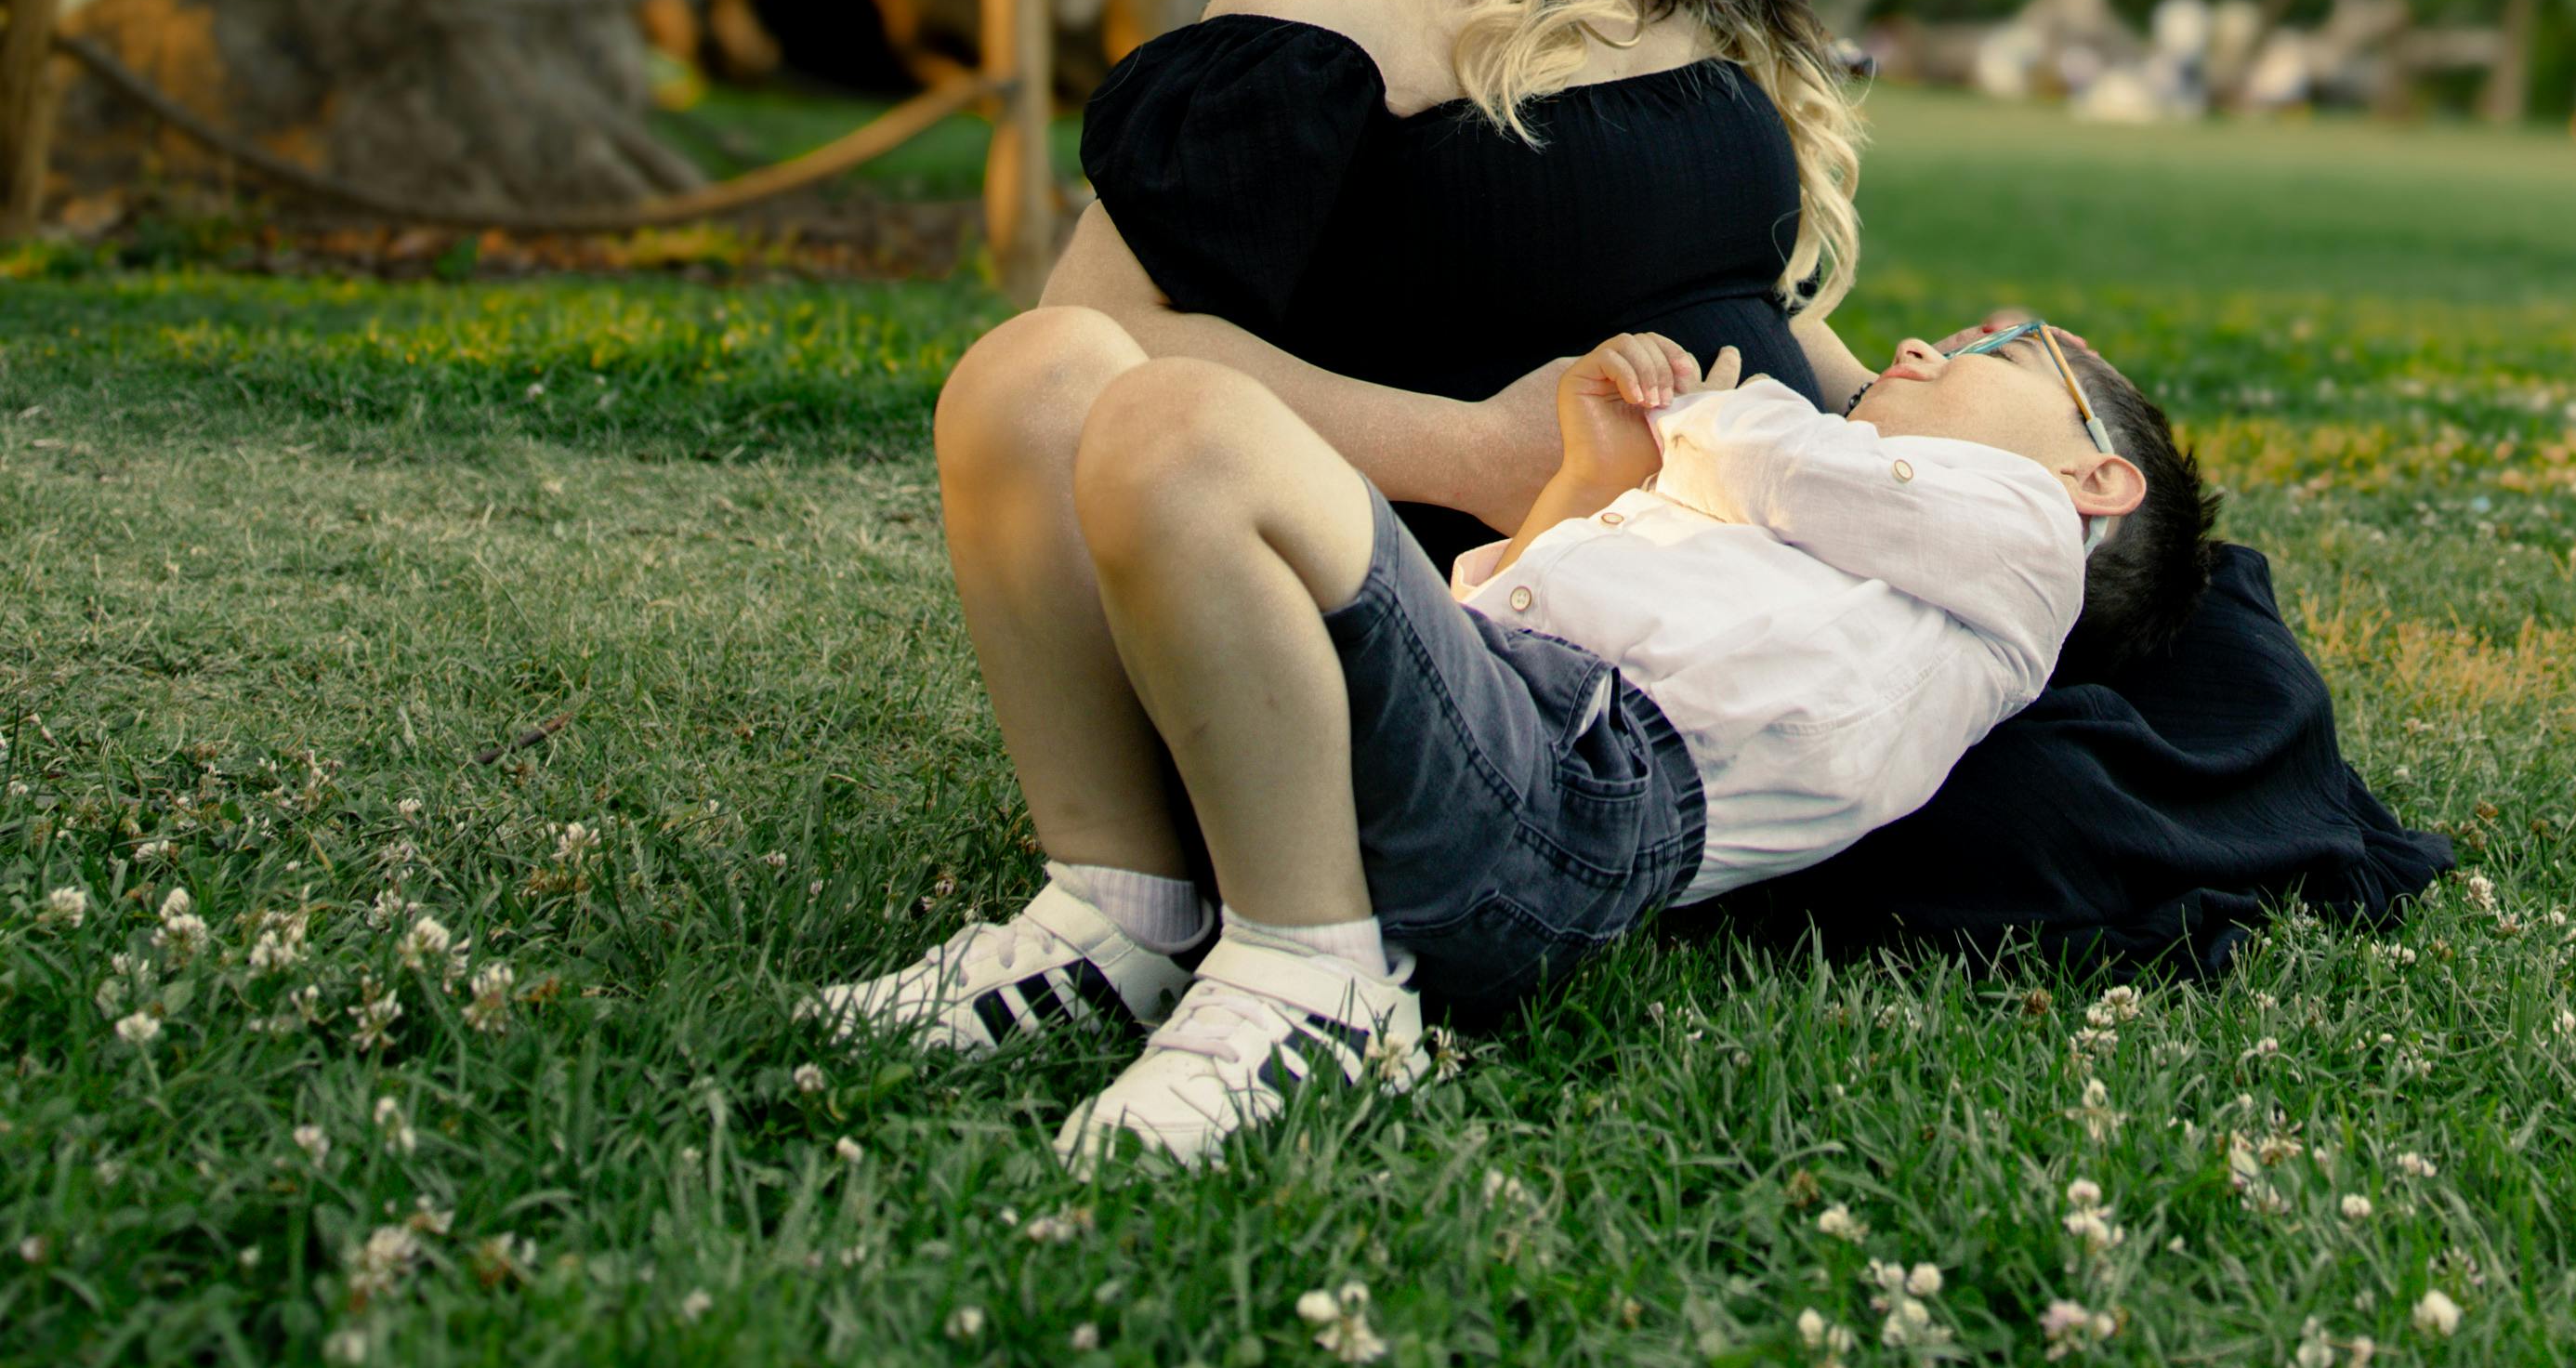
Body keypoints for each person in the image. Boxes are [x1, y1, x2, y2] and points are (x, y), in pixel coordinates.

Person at [824, 0, 2443, 1046]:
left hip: (1774, 557)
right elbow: (1091, 343)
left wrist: (1919, 438)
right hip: (1540, 592)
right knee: (2036, 801)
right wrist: (1466, 449)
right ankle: (1195, 894)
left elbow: (1734, 295)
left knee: (2201, 619)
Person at [824, 303, 2210, 1163]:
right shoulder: (1829, 523)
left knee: (1182, 425)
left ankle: (1315, 978)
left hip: (1579, 810)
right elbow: (1496, 622)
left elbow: (1779, 464)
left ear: (2095, 473)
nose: (1923, 345)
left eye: (1993, 347)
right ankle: (1121, 904)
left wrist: (1710, 418)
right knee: (1044, 367)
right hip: (1511, 725)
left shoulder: (2024, 548)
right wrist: (1588, 486)